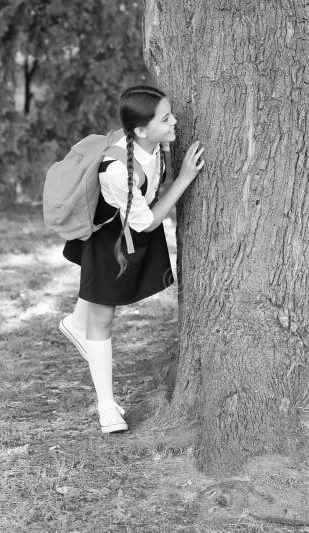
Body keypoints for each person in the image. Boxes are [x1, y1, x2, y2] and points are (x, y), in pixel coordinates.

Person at [59, 85, 205, 433]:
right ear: (141, 130)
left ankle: (76, 323)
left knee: (95, 314)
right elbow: (148, 222)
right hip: (108, 243)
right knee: (103, 319)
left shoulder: (154, 145)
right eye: (165, 118)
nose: (175, 121)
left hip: (126, 230)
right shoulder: (118, 171)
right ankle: (106, 406)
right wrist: (185, 178)